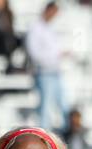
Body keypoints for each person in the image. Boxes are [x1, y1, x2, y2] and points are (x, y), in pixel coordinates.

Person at [25, 2, 68, 132]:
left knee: (64, 106)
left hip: (56, 72)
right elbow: (34, 53)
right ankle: (44, 137)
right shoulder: (35, 28)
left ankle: (68, 136)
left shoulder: (50, 28)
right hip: (43, 73)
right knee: (45, 109)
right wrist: (54, 56)